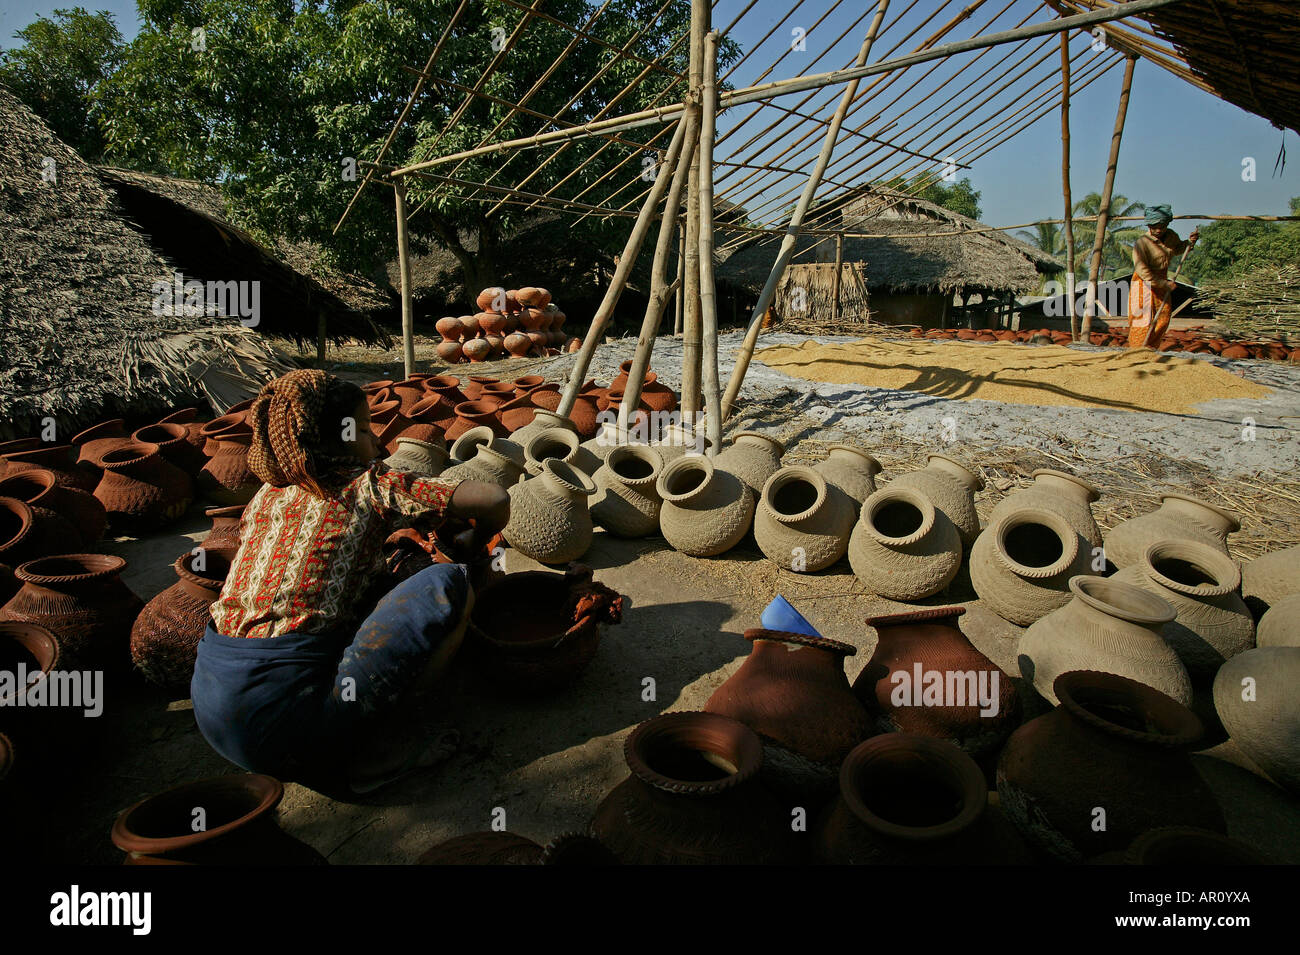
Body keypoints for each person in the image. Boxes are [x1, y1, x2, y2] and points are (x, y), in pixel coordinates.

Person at [190, 369, 510, 794]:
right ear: (335, 437)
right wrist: (470, 541)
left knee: (382, 576)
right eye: (362, 429)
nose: (376, 441)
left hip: (215, 710)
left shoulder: (267, 495)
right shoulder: (370, 483)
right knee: (449, 581)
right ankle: (370, 749)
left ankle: (331, 726)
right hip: (288, 724)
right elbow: (495, 498)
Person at [1128, 204, 1198, 348]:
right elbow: (1142, 270)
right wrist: (1163, 283)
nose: (1158, 230)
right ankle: (1137, 352)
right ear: (1149, 225)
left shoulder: (1171, 236)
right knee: (1141, 321)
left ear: (1167, 224)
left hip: (1162, 282)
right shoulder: (1142, 243)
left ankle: (1151, 350)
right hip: (1143, 283)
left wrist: (1189, 244)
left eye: (1162, 226)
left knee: (1162, 319)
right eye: (1155, 226)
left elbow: (1178, 249)